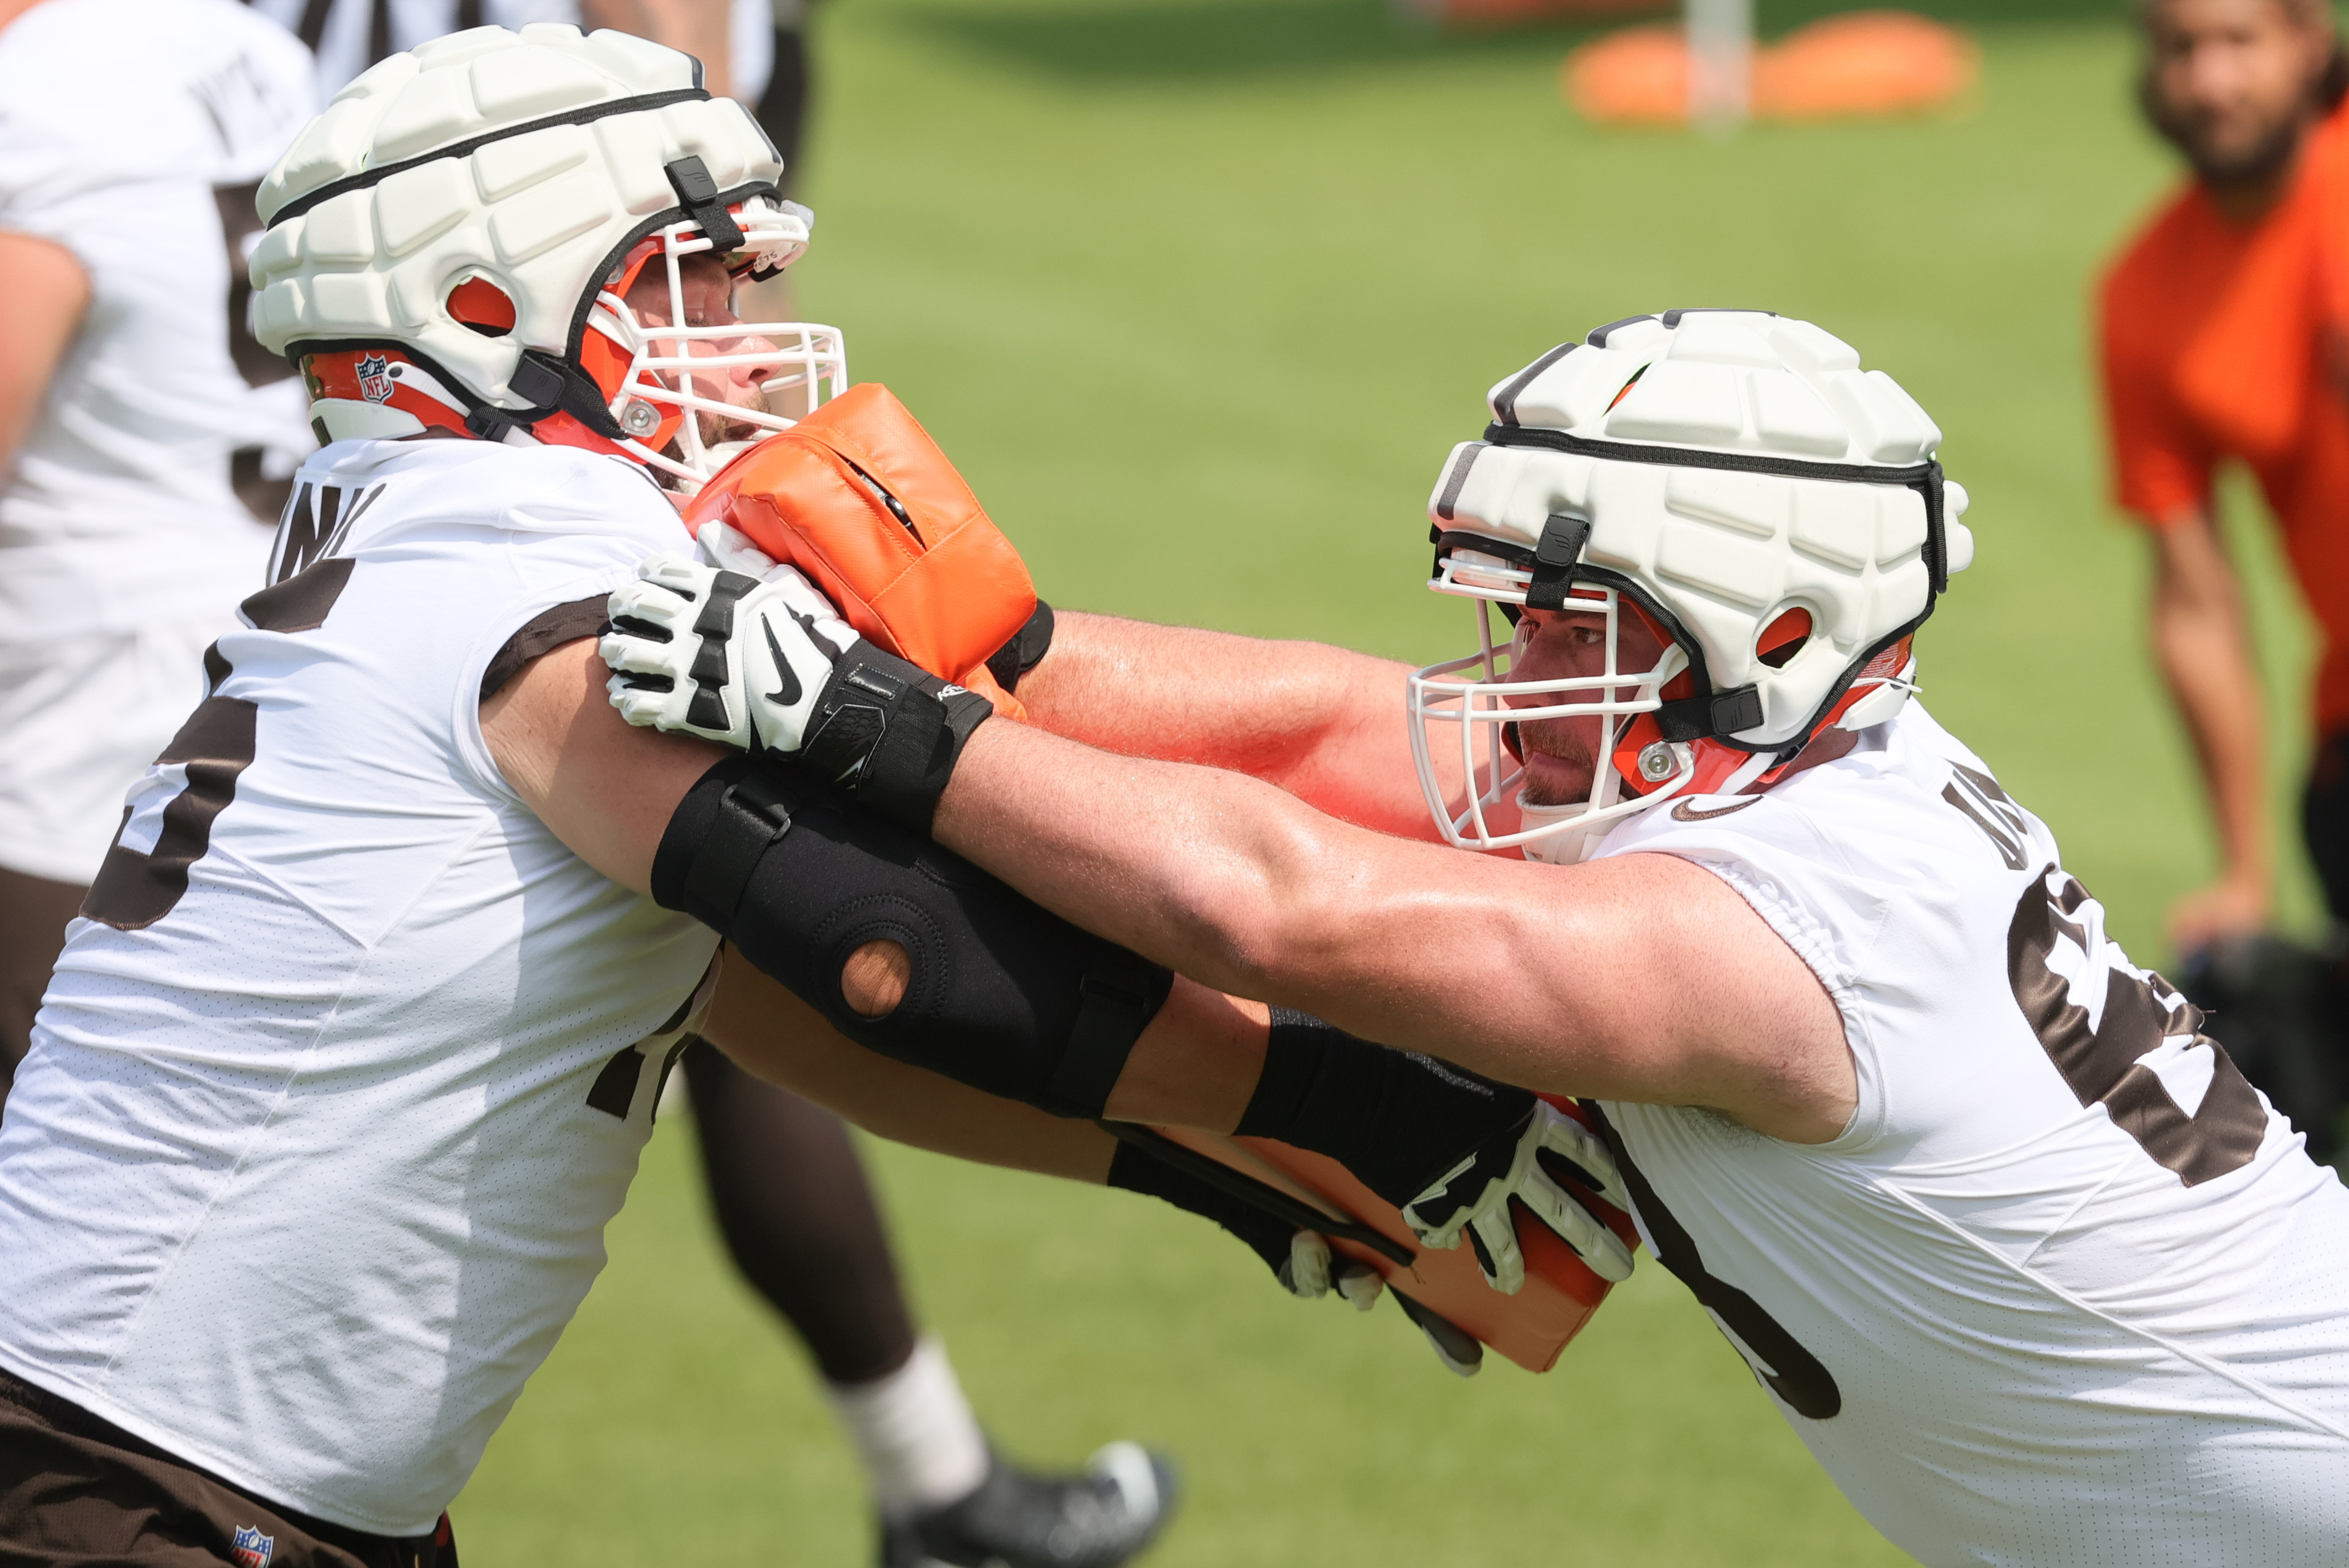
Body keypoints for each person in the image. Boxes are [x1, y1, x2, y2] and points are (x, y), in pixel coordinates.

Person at [0, 30, 1614, 1564]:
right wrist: (1373, 1110)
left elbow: (776, 1006)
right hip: (125, 1480)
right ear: (488, 303)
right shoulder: (546, 568)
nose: (753, 320)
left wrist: (1218, 1172)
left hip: (166, 1454)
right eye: (692, 275)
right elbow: (888, 948)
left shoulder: (426, 529)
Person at [604, 309, 2349, 1567]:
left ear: (1766, 623)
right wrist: (983, 643)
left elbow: (1271, 900)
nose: (1513, 673)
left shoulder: (1775, 926)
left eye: (1562, 620)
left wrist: (871, 723)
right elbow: (1303, 733)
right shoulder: (1792, 760)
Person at [0, 0, 316, 1085]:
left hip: (72, 683)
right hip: (267, 632)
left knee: (62, 1155)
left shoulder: (38, 95)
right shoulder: (259, 48)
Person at [2101, 0, 2349, 1155]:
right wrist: (2243, 869)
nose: (2210, 80)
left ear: (2310, 40)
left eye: (2240, 41)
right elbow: (2196, 602)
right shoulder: (2149, 291)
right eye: (2181, 48)